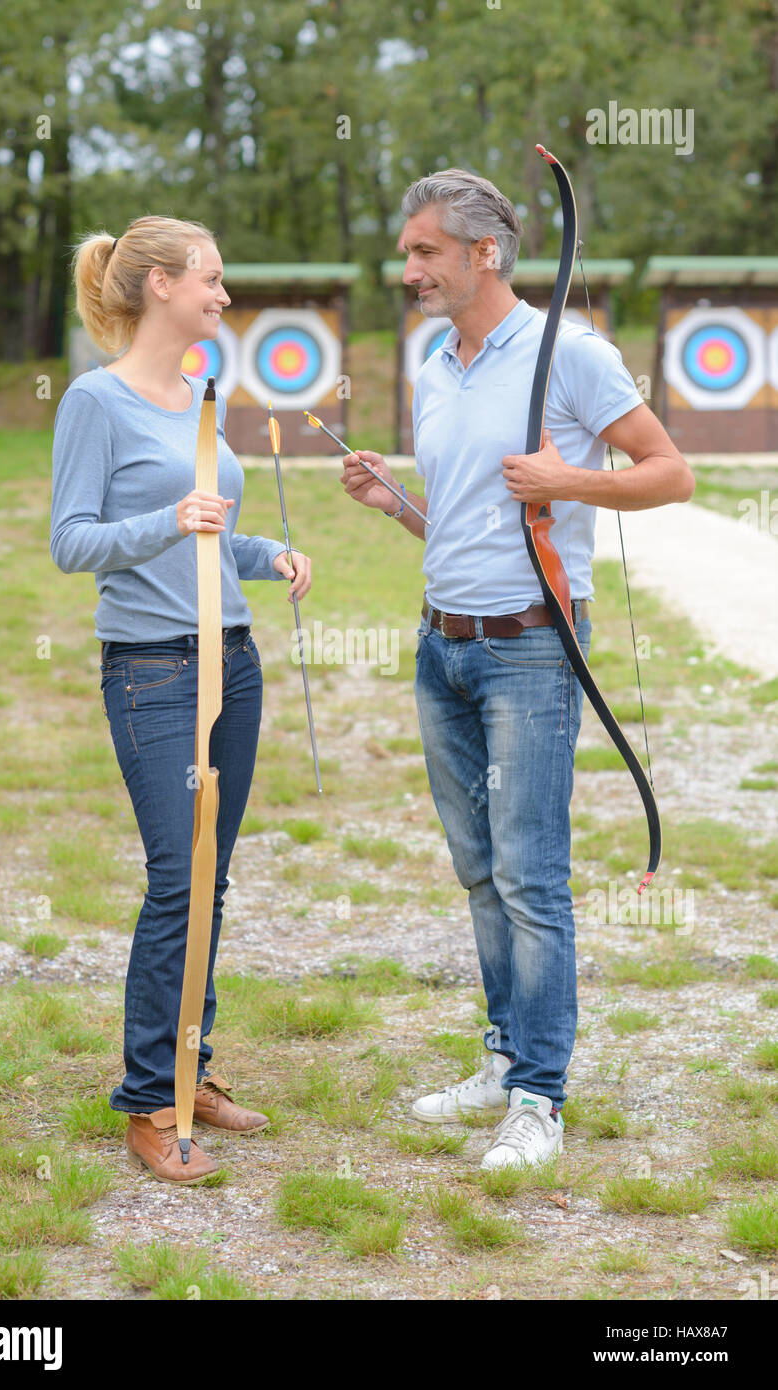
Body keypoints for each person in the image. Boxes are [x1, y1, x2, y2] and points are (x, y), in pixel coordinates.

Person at [339, 170, 694, 1170]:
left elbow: (671, 469)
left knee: (533, 877)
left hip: (532, 648)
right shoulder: (433, 362)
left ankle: (540, 1096)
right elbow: (460, 522)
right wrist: (395, 502)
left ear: (483, 252)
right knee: (481, 869)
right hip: (440, 643)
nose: (407, 269)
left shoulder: (568, 354)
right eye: (407, 253)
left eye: (423, 252)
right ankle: (502, 1058)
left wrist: (568, 480)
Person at [51, 216, 312, 1183]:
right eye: (211, 278)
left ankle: (188, 1066)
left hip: (231, 661)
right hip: (153, 673)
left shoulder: (203, 394)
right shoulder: (95, 402)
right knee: (177, 877)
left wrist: (264, 551)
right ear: (159, 283)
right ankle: (148, 1105)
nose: (224, 296)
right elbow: (74, 540)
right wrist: (171, 517)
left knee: (216, 877)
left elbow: (211, 536)